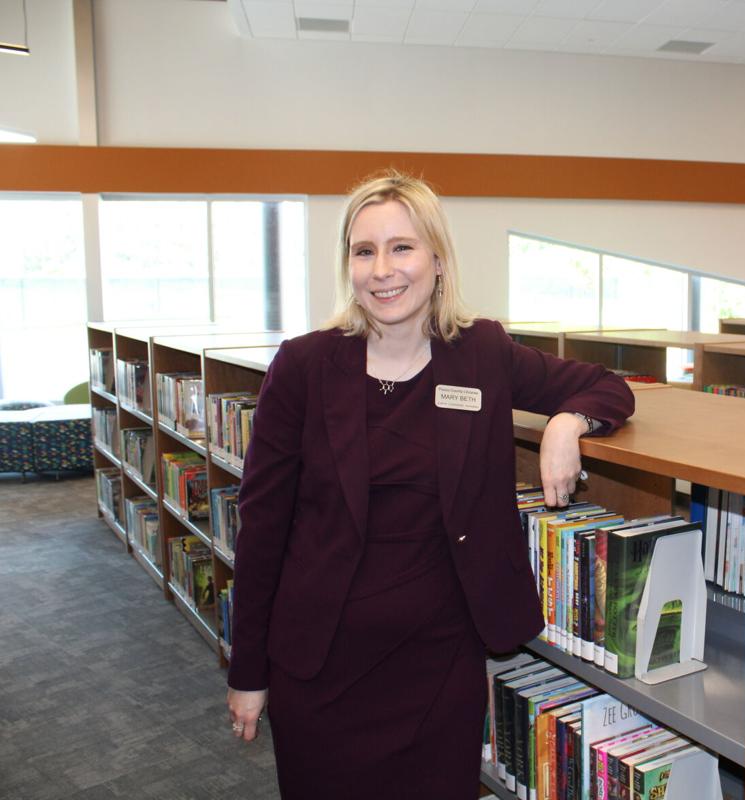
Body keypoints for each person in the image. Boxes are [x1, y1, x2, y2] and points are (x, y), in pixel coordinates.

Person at [225, 170, 635, 798]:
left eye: (402, 247)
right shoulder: (304, 367)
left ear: (437, 259)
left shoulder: (481, 352)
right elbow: (262, 529)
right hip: (321, 667)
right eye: (365, 251)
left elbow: (609, 385)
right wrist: (248, 670)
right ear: (349, 265)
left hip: (439, 665)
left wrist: (567, 422)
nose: (382, 269)